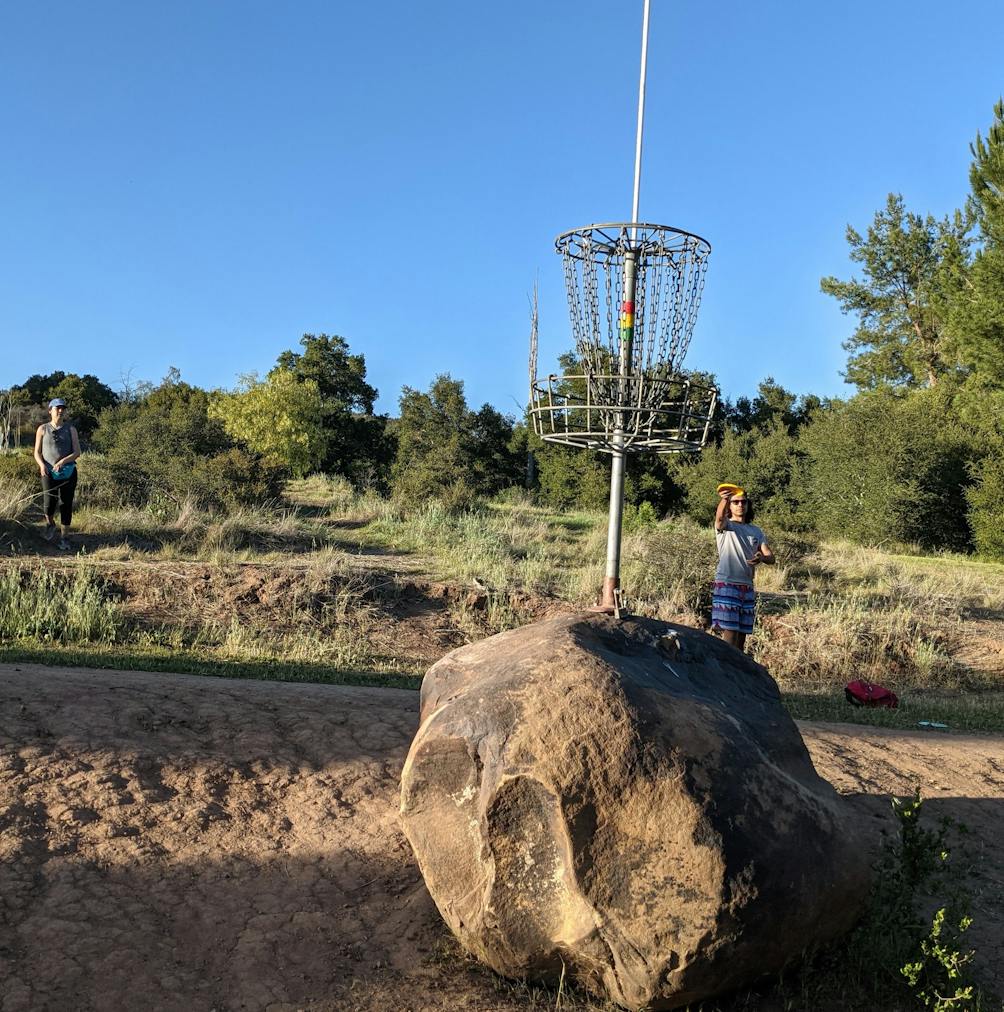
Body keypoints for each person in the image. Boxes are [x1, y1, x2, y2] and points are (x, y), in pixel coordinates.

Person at [711, 485, 774, 651]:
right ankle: (726, 670)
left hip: (747, 586)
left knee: (742, 634)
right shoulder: (726, 526)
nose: (740, 505)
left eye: (743, 502)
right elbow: (718, 518)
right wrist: (724, 498)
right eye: (736, 502)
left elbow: (771, 557)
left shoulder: (755, 530)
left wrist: (762, 557)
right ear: (730, 506)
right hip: (727, 584)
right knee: (730, 633)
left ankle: (737, 672)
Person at [33, 398, 81, 551]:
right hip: (48, 472)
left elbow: (77, 452)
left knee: (66, 504)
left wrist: (62, 462)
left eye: (62, 408)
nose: (60, 411)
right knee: (49, 503)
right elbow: (37, 452)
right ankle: (50, 523)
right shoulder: (42, 429)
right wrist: (41, 465)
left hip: (68, 472)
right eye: (57, 408)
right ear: (50, 410)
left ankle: (64, 538)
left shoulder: (71, 429)